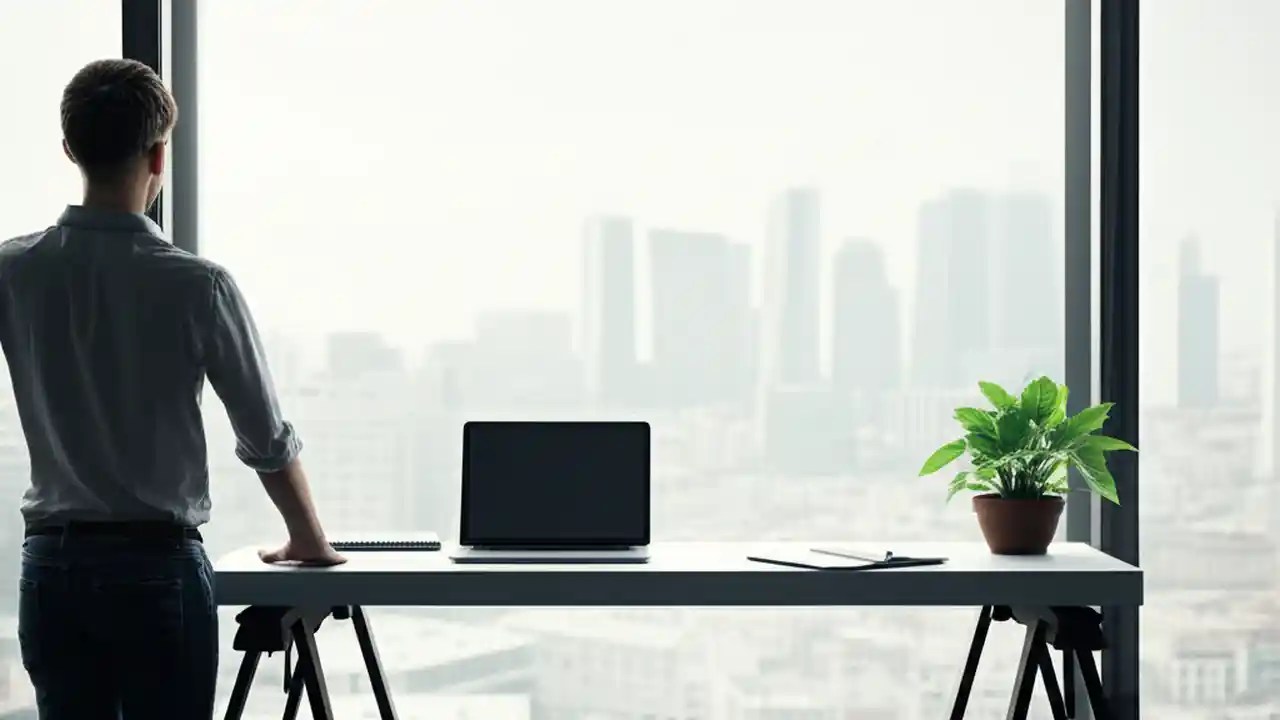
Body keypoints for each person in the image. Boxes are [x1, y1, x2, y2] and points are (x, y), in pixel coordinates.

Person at [0, 58, 345, 718]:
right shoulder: (196, 285)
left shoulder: (14, 270)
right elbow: (264, 434)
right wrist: (307, 536)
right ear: (160, 155)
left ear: (70, 148)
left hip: (50, 569)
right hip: (155, 567)